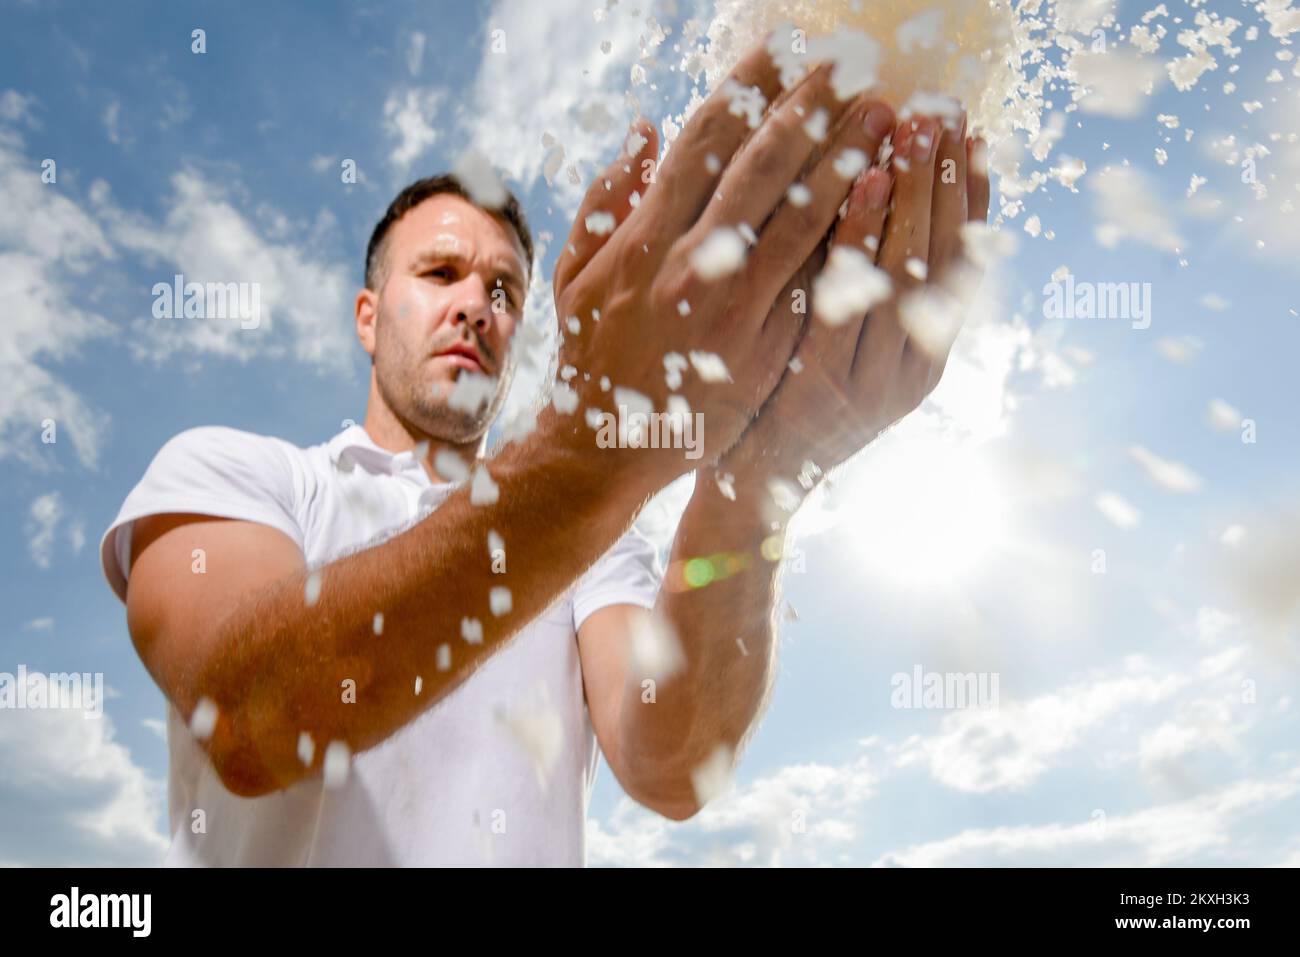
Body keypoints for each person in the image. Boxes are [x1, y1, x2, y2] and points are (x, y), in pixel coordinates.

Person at [99, 41, 989, 866]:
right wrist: (594, 448)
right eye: (439, 274)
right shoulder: (235, 474)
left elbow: (673, 764)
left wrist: (764, 474)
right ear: (368, 316)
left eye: (502, 289)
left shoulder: (596, 544)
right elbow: (251, 714)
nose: (474, 305)